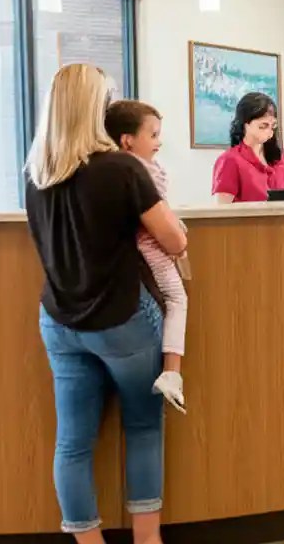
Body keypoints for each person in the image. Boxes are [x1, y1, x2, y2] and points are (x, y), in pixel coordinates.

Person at [25, 63, 187, 544]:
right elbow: (174, 241)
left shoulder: (36, 173)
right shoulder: (121, 168)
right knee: (142, 426)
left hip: (58, 321)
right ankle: (147, 541)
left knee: (72, 443)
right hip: (121, 321)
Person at [104, 100, 189, 415]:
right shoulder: (140, 172)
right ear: (128, 140)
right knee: (177, 298)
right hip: (151, 244)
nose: (159, 142)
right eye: (153, 135)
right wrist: (176, 236)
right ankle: (172, 371)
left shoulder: (111, 169)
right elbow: (163, 222)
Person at [211, 92, 284, 204]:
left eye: (273, 126)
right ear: (245, 124)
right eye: (263, 126)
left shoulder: (280, 157)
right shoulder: (230, 160)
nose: (269, 131)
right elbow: (223, 211)